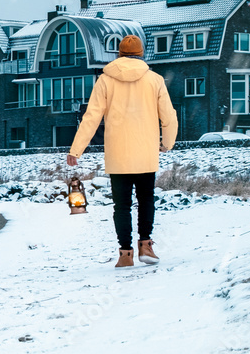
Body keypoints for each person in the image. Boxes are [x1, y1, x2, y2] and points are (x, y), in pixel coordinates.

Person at [66, 34, 178, 268]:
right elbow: (169, 116)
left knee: (122, 205)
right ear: (141, 54)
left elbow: (91, 117)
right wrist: (167, 143)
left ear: (119, 54)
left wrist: (76, 150)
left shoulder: (105, 81)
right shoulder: (154, 80)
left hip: (118, 154)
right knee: (146, 199)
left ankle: (125, 254)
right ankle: (145, 245)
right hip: (146, 152)